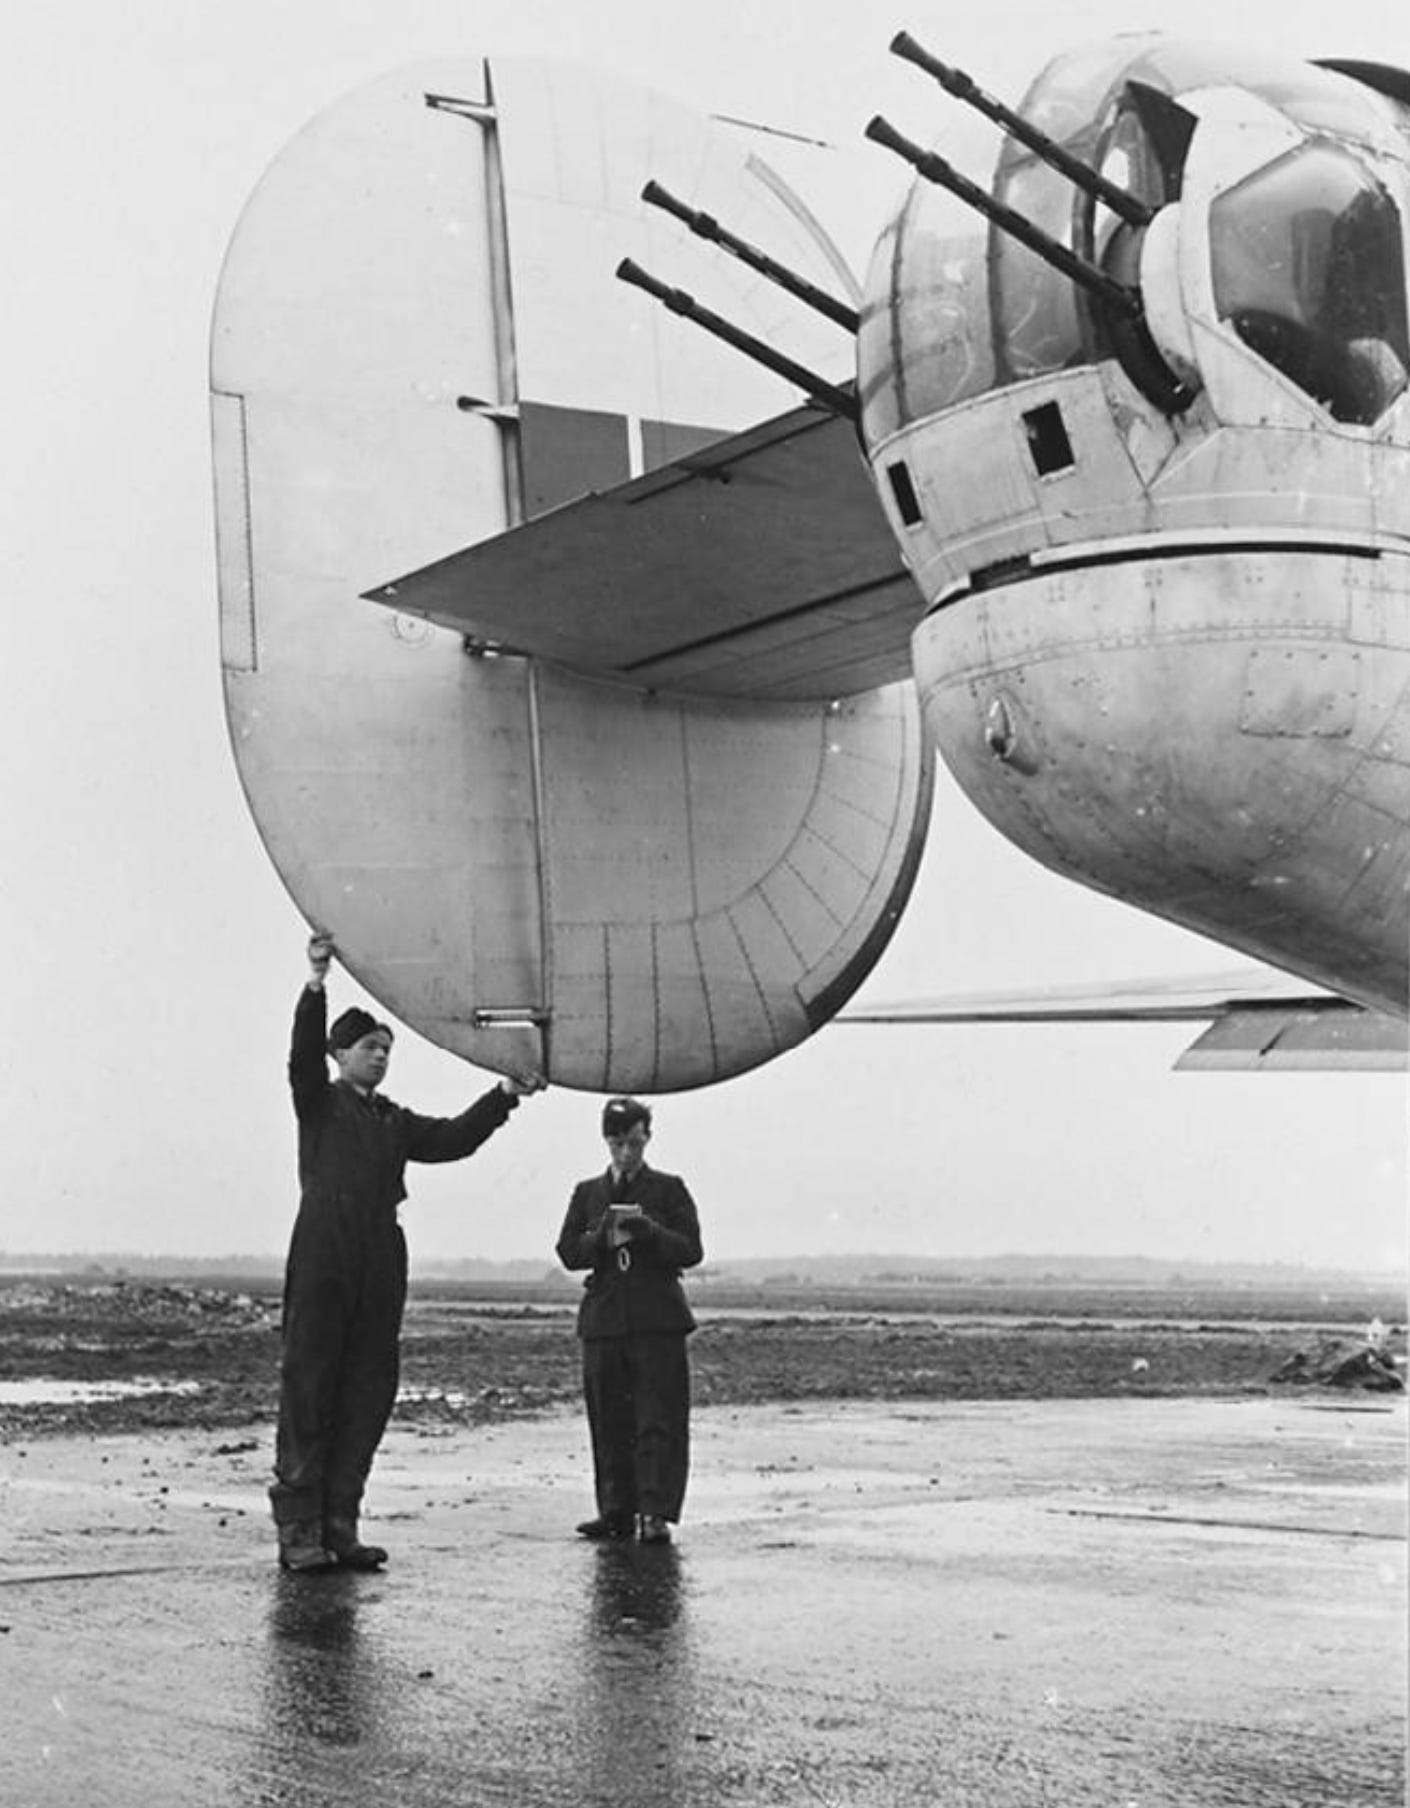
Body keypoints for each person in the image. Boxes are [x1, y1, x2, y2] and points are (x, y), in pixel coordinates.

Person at [270, 932, 542, 1574]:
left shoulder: (392, 1120)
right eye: (370, 1048)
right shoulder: (319, 1105)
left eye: (387, 1050)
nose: (380, 1058)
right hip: (323, 1252)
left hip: (380, 1256)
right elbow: (299, 1060)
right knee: (310, 1388)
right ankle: (299, 1533)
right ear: (340, 1055)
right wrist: (315, 985)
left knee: (367, 1390)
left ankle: (341, 1527)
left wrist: (504, 1095)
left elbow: (452, 1140)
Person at [555, 1097, 703, 1545]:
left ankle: (655, 1512)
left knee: (658, 1418)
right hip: (604, 1321)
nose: (626, 1153)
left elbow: (692, 1249)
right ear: (607, 1141)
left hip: (657, 1319)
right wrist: (599, 1237)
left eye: (634, 1143)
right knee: (609, 1419)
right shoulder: (587, 1193)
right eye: (618, 1143)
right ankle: (616, 1511)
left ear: (647, 1139)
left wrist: (652, 1234)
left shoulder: (670, 1189)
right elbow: (567, 1252)